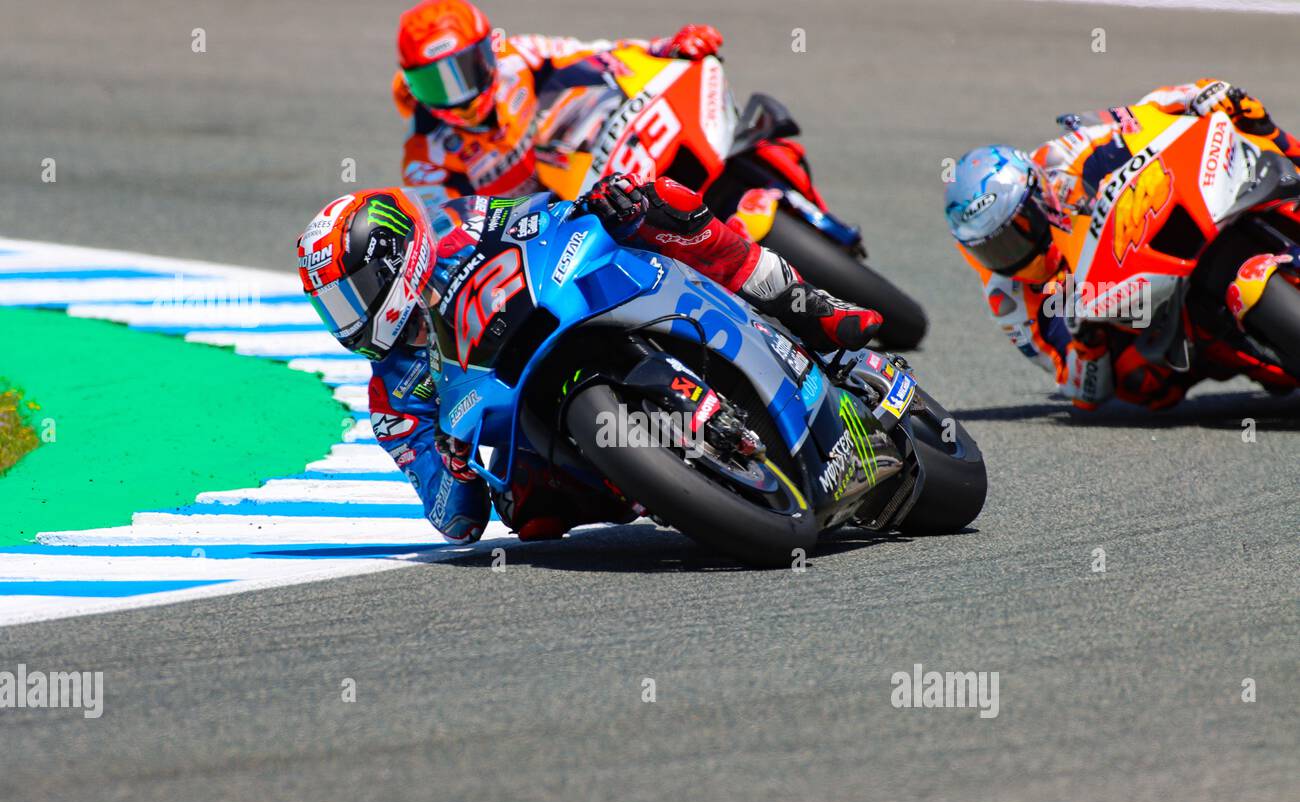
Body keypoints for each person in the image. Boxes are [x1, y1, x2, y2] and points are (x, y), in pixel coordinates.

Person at [295, 174, 881, 543]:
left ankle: (807, 306)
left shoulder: (461, 224)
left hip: (562, 310)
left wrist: (602, 203)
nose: (349, 316)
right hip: (533, 433)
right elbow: (455, 521)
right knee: (532, 520)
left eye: (354, 291)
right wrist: (452, 466)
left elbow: (539, 214)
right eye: (333, 307)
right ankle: (673, 482)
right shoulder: (390, 397)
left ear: (394, 256)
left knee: (655, 199)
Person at [944, 79, 1300, 410]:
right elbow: (1079, 389)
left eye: (1018, 229)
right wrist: (1086, 340)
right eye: (993, 249)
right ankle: (1263, 357)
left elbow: (1144, 114)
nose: (1014, 252)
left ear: (1038, 199)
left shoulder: (1061, 159)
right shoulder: (1010, 298)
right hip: (1155, 314)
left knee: (1248, 120)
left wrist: (1200, 94)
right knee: (1138, 382)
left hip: (1163, 220)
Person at [392, 0, 723, 197]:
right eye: (434, 84)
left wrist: (667, 48)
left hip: (584, 179)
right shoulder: (425, 155)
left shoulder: (519, 55)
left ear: (487, 53)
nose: (458, 98)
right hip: (530, 242)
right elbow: (449, 231)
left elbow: (603, 53)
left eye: (462, 72)